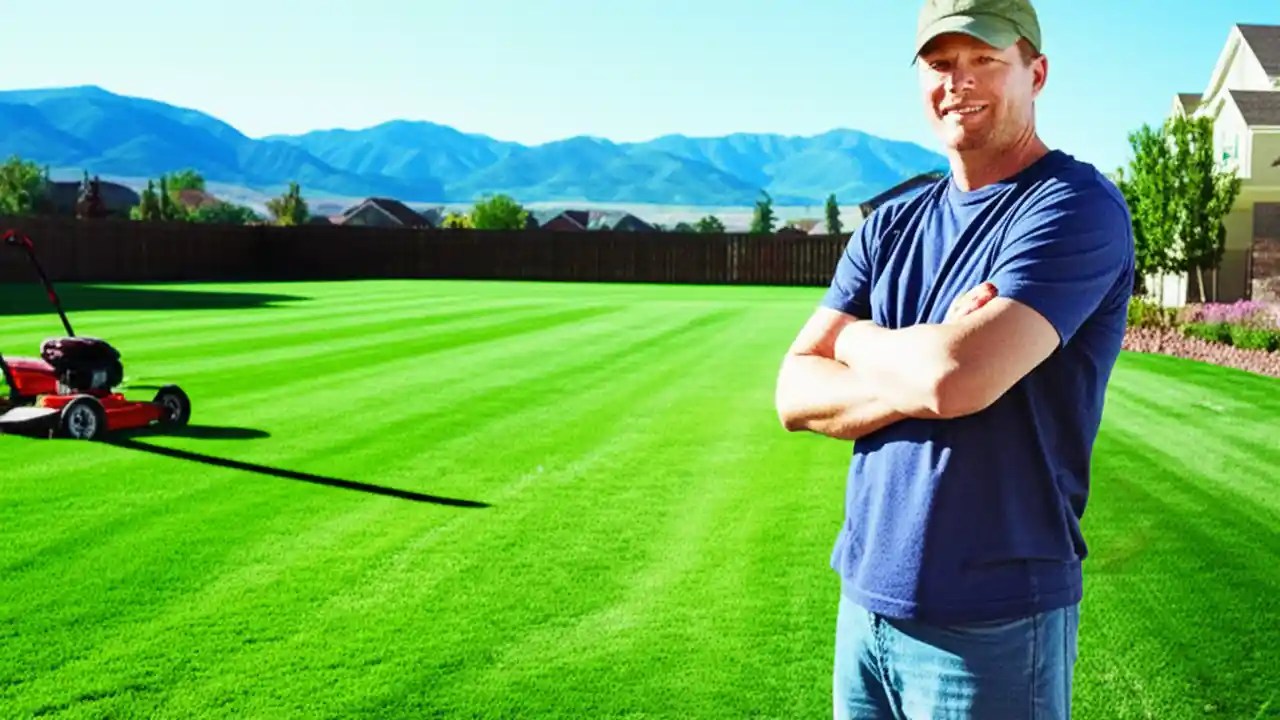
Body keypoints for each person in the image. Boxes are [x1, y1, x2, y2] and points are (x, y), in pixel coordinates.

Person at [774, 0, 1135, 717]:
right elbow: (792, 390)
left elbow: (953, 378)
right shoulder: (894, 223)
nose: (958, 82)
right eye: (940, 63)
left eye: (984, 61)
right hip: (866, 603)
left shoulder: (1073, 207)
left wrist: (854, 345)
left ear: (1037, 72)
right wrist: (927, 358)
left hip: (996, 618)